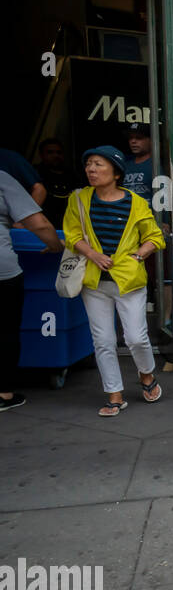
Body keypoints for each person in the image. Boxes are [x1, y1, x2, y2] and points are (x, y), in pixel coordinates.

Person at [64, 146, 164, 416]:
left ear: (116, 172)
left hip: (129, 280)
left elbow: (154, 237)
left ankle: (146, 374)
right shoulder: (79, 199)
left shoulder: (136, 202)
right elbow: (71, 234)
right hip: (94, 282)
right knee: (103, 340)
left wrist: (139, 256)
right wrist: (93, 254)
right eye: (89, 165)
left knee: (136, 337)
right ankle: (114, 394)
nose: (91, 170)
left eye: (98, 165)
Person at [1, 170, 64, 412]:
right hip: (2, 271)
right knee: (5, 329)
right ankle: (3, 393)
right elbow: (38, 224)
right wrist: (55, 246)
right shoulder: (3, 179)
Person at [34, 139, 77, 218]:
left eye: (59, 152)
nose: (56, 155)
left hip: (68, 222)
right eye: (50, 152)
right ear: (41, 155)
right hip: (42, 222)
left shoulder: (72, 175)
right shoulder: (34, 173)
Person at [121, 123, 154, 198]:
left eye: (139, 138)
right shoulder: (124, 164)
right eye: (130, 138)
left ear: (151, 141)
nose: (133, 141)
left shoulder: (157, 164)